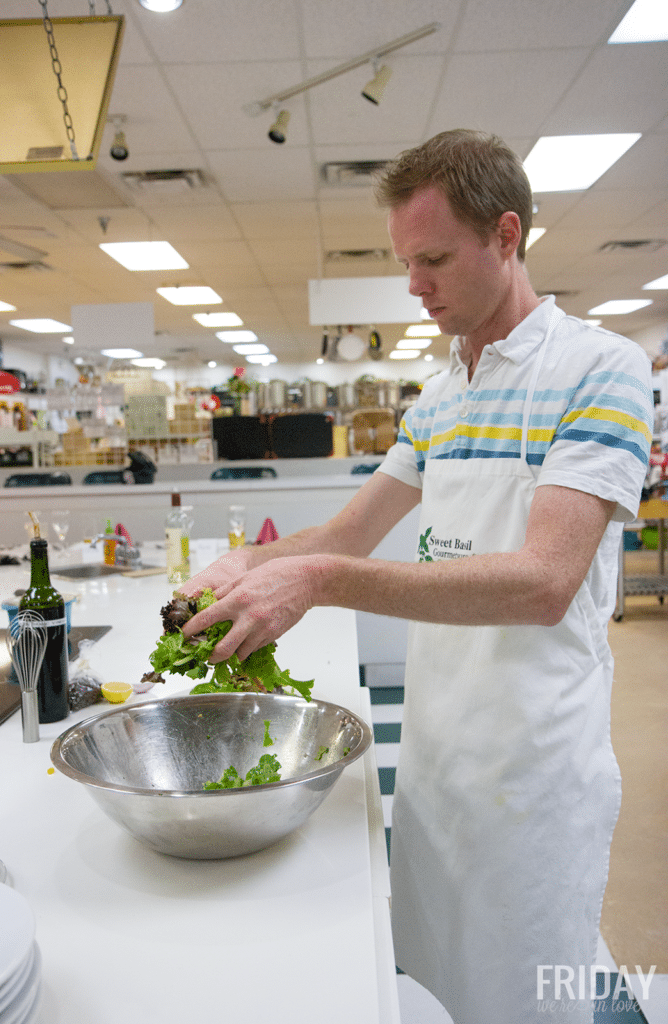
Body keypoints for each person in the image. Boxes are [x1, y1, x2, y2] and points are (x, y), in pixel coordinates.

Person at [178, 130, 654, 1024]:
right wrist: (248, 563)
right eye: (406, 261)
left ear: (505, 236)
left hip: (530, 766)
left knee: (521, 994)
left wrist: (317, 582)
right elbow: (349, 531)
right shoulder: (438, 400)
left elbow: (543, 582)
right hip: (436, 753)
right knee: (435, 982)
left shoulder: (600, 369)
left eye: (432, 258)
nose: (413, 286)